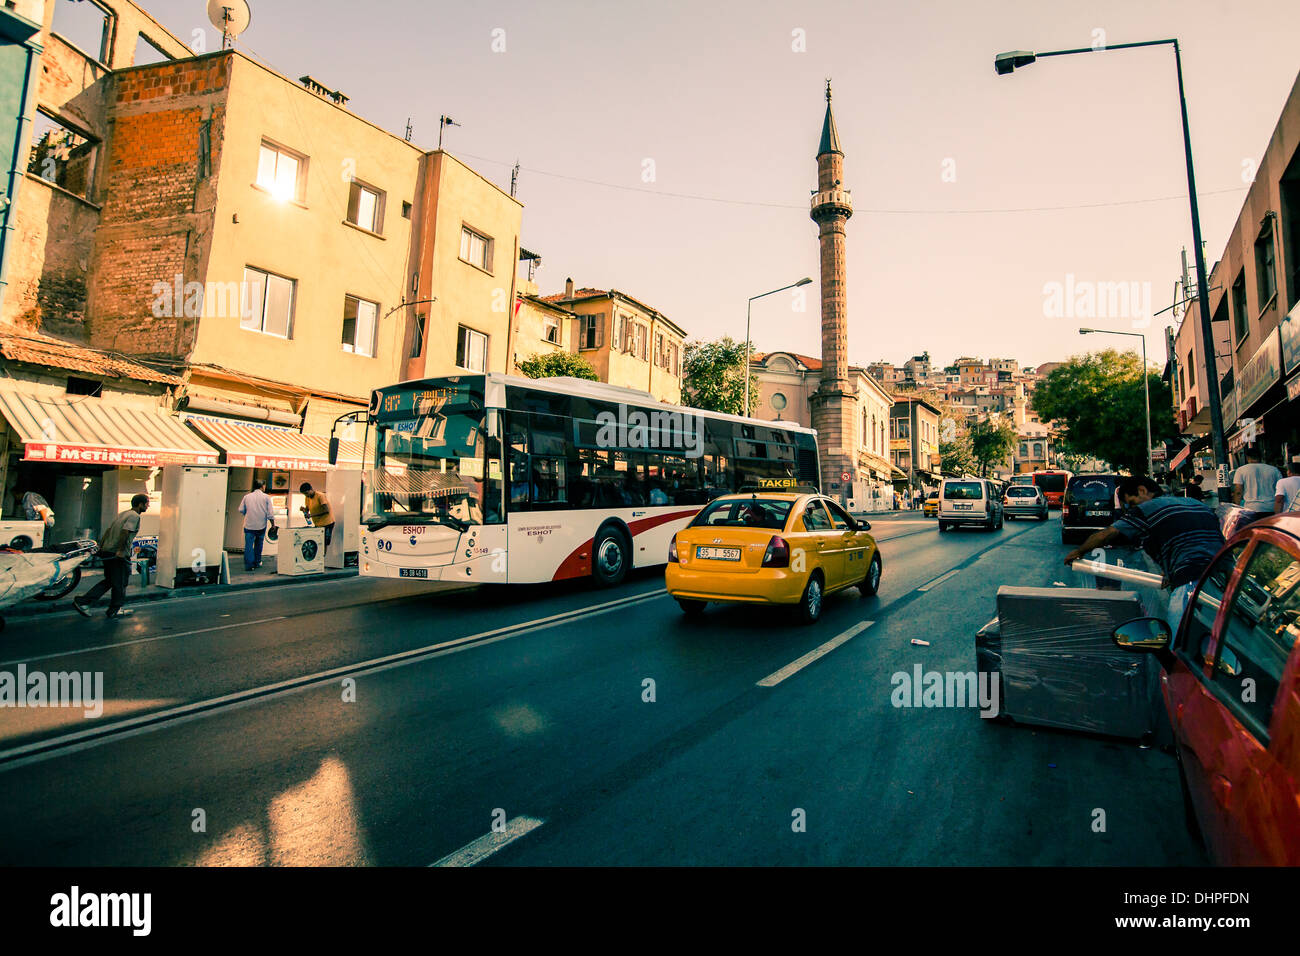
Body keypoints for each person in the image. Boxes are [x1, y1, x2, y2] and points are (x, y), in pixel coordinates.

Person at [1064, 476, 1225, 636]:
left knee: (1178, 637)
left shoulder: (1148, 508)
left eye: (1133, 502)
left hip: (1189, 579)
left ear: (1142, 490)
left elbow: (1108, 534)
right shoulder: (1196, 504)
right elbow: (1196, 540)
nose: (1133, 508)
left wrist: (1079, 552)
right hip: (1222, 580)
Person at [72, 493, 150, 619]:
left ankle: (84, 602)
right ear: (140, 504)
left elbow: (108, 530)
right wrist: (120, 551)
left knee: (110, 581)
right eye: (146, 503)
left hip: (108, 550)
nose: (148, 506)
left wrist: (101, 547)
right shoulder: (134, 516)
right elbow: (125, 532)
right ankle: (115, 609)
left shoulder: (123, 514)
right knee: (121, 581)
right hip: (117, 553)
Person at [1231, 447, 1282, 526]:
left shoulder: (1241, 470)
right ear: (1261, 457)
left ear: (1247, 457)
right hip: (1270, 508)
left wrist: (1236, 508)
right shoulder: (1274, 470)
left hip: (1251, 509)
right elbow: (1280, 490)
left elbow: (1238, 491)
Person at [238, 479, 276, 571]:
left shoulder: (247, 497)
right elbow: (270, 513)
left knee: (249, 545)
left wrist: (247, 514)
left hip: (249, 525)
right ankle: (257, 562)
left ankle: (249, 565)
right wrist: (273, 524)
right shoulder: (266, 497)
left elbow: (240, 509)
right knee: (259, 544)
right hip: (261, 525)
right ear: (262, 486)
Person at [299, 483, 334, 547]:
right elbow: (307, 510)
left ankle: (323, 556)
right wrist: (303, 510)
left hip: (327, 523)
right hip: (318, 524)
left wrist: (311, 515)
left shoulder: (320, 496)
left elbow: (326, 511)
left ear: (311, 489)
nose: (306, 495)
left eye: (306, 493)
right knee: (318, 542)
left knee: (323, 543)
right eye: (304, 494)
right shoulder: (307, 498)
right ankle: (320, 556)